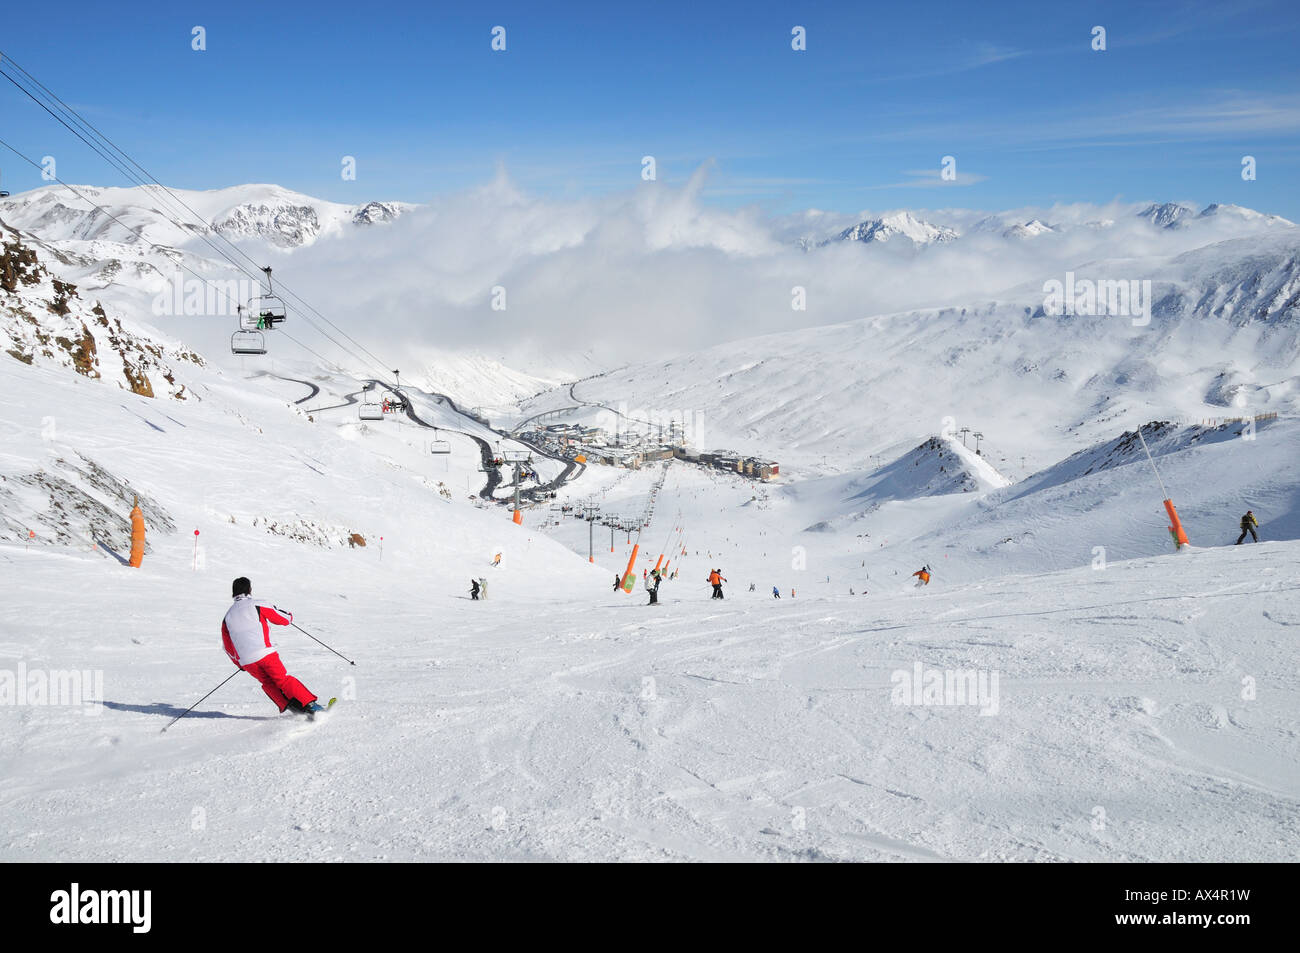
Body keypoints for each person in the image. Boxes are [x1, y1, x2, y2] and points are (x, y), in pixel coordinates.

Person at [221, 577, 322, 715]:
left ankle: (295, 710)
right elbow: (282, 619)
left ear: (233, 592)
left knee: (267, 682)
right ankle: (311, 705)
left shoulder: (227, 617)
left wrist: (239, 664)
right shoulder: (257, 604)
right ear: (250, 589)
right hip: (265, 654)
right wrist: (289, 617)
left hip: (246, 661)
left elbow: (228, 647)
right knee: (282, 680)